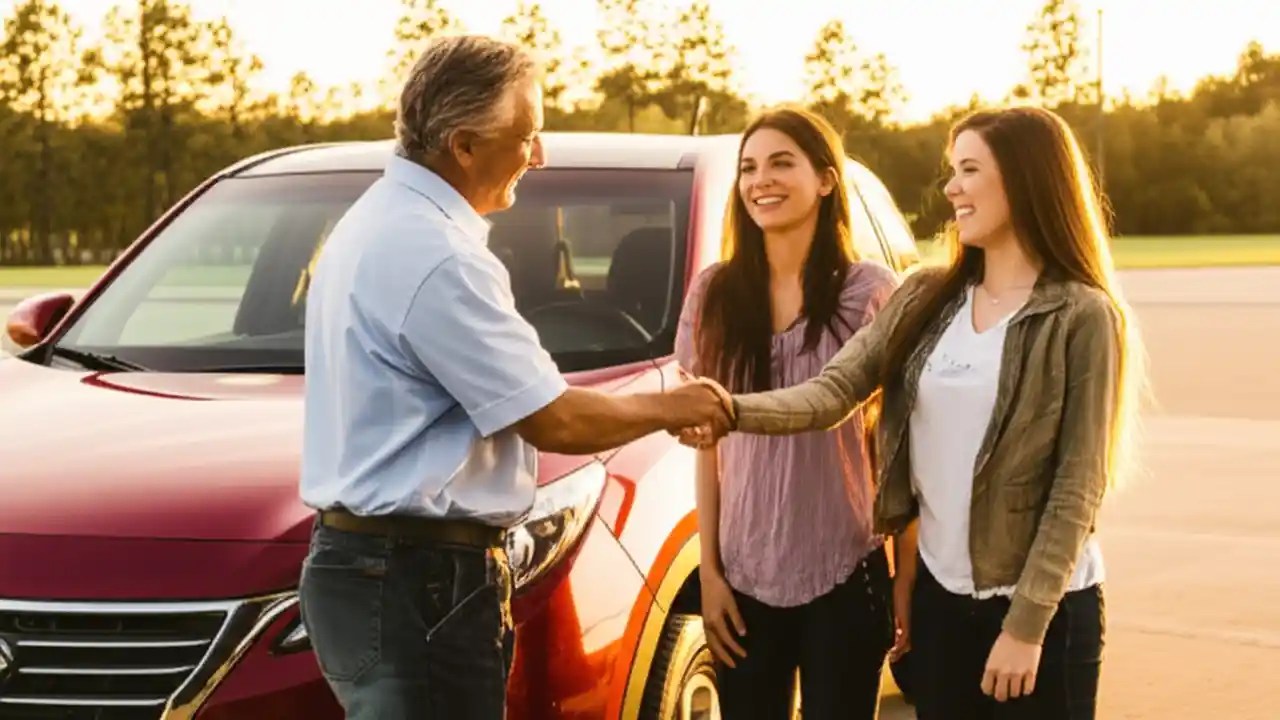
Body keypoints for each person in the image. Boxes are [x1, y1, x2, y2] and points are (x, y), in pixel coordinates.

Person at [297, 34, 728, 720]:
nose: (539, 154)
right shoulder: (437, 255)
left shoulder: (371, 221)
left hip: (370, 570)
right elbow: (552, 418)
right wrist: (675, 406)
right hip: (421, 584)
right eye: (526, 134)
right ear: (463, 145)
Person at [688, 105, 1146, 720]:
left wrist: (1026, 627)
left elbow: (1077, 486)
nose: (951, 187)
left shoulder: (1082, 315)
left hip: (1043, 607)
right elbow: (829, 393)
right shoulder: (926, 295)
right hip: (942, 601)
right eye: (952, 170)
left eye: (970, 170)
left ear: (1025, 178)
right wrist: (726, 409)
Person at [673, 105, 900, 718]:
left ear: (826, 179)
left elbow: (896, 445)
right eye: (748, 168)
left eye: (780, 163)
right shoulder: (715, 294)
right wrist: (712, 576)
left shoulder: (868, 292)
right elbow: (708, 445)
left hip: (847, 570)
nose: (760, 180)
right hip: (742, 579)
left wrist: (905, 585)